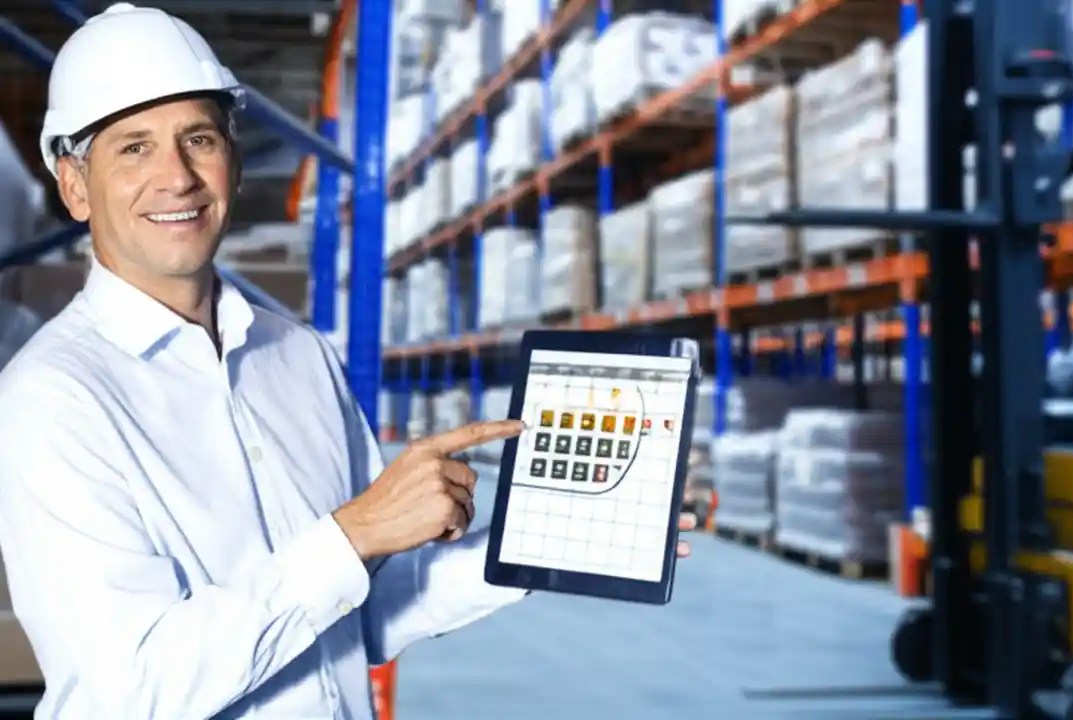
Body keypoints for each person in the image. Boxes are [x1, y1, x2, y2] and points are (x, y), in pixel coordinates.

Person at [0, 4, 697, 719]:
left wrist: (550, 538)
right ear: (74, 186)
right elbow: (131, 691)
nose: (176, 177)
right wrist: (354, 532)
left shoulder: (296, 357)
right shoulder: (53, 399)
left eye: (198, 139)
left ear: (233, 162)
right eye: (134, 148)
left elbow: (366, 608)